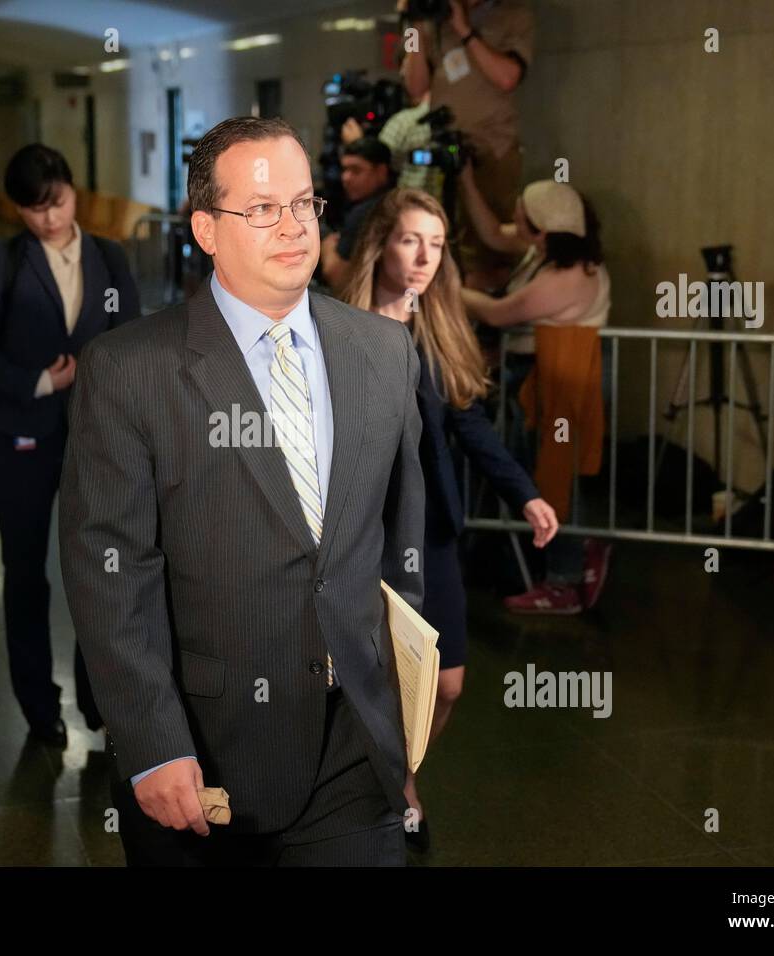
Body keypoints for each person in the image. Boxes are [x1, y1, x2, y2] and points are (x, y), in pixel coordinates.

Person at [59, 116, 425, 866]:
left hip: (355, 747)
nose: (292, 227)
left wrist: (411, 703)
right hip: (209, 755)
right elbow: (111, 571)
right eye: (260, 209)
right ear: (205, 228)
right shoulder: (133, 370)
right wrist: (154, 744)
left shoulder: (384, 353)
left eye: (303, 203)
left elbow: (403, 533)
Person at [342, 187, 557, 848]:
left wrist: (525, 492)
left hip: (427, 530)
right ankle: (376, 795)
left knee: (449, 682)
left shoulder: (435, 331)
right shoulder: (337, 329)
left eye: (436, 244)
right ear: (382, 243)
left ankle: (400, 776)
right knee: (363, 678)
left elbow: (470, 423)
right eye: (411, 240)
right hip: (357, 533)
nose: (424, 257)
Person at [0, 143, 140, 747]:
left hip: (95, 440)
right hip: (20, 441)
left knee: (101, 572)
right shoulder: (1, 262)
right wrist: (38, 381)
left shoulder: (110, 259)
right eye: (34, 210)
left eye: (56, 203)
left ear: (72, 192)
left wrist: (104, 375)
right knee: (26, 575)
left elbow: (133, 339)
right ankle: (40, 708)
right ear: (17, 211)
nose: (50, 219)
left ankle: (102, 702)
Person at [458, 170, 612, 614]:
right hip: (537, 381)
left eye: (520, 216)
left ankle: (565, 578)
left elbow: (502, 312)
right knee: (539, 470)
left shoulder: (569, 275)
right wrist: (468, 178)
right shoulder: (545, 253)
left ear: (540, 229)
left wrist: (444, 288)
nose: (513, 221)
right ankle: (575, 556)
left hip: (559, 386)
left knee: (553, 475)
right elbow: (492, 232)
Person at [401, 0, 534, 289]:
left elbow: (508, 76)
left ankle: (482, 321)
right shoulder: (436, 19)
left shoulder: (511, 13)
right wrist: (413, 25)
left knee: (487, 254)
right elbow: (415, 87)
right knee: (446, 242)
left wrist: (464, 29)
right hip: (446, 150)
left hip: (491, 149)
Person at [320, 137, 394, 292]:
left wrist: (325, 238)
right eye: (344, 170)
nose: (345, 178)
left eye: (356, 170)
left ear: (381, 171)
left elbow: (336, 275)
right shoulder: (395, 201)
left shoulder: (367, 213)